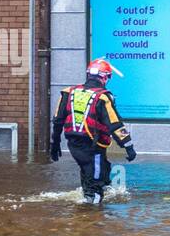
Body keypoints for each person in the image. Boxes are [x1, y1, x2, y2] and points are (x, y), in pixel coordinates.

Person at [50, 58, 136, 204]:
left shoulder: (68, 92)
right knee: (96, 183)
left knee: (90, 173)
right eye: (108, 77)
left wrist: (55, 143)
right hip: (94, 147)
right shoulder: (103, 97)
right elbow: (115, 124)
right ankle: (91, 217)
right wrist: (128, 146)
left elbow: (57, 120)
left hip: (74, 145)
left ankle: (85, 207)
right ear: (104, 77)